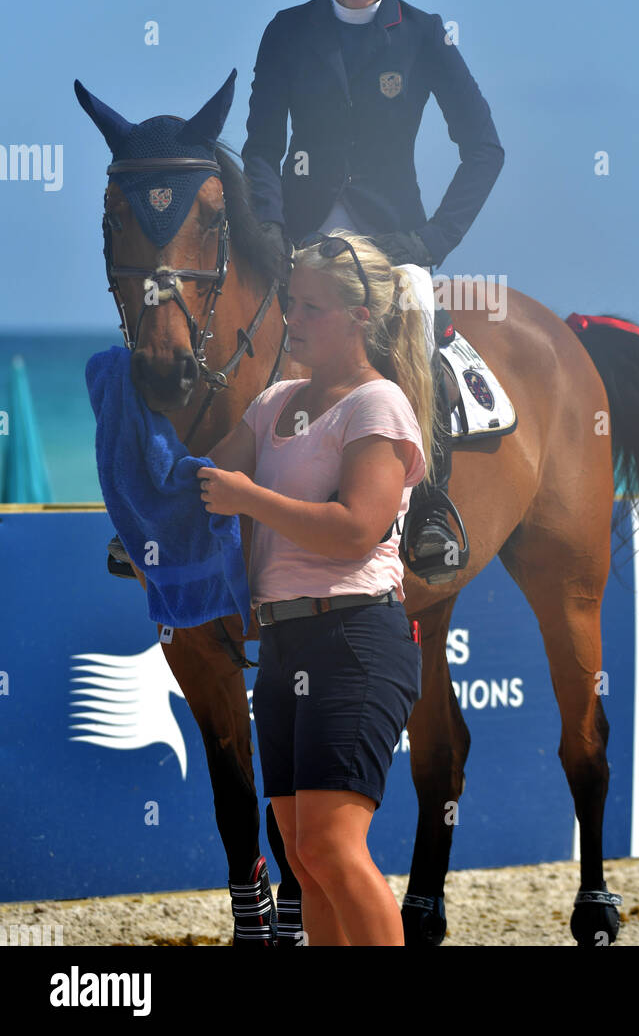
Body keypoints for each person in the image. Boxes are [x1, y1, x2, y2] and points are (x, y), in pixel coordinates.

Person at [240, 0, 504, 579]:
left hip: (391, 243)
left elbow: (484, 147)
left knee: (419, 322)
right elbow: (261, 147)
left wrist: (431, 241)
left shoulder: (425, 37)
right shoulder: (289, 31)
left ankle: (429, 511)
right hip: (296, 236)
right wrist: (267, 224)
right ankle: (174, 501)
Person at [197, 231, 431, 945]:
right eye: (291, 302)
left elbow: (357, 528)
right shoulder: (273, 403)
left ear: (362, 318)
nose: (292, 319)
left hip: (355, 637)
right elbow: (204, 484)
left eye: (312, 307)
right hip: (288, 640)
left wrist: (247, 497)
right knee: (303, 852)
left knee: (330, 846)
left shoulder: (378, 403)